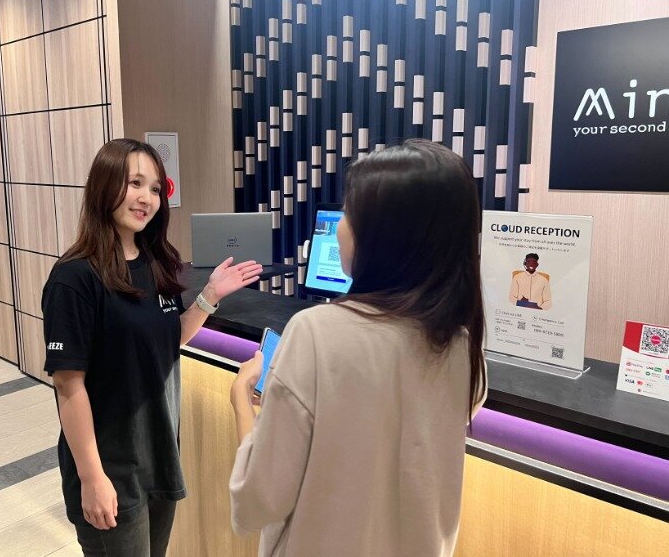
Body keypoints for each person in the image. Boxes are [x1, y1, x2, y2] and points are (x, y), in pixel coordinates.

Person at [228, 140, 488, 556]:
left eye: (349, 213)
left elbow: (257, 501)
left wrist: (242, 398)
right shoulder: (462, 349)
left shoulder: (316, 333)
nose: (339, 227)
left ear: (384, 237)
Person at [42, 138, 262, 556]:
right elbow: (68, 384)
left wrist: (210, 295)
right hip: (110, 467)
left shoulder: (154, 262)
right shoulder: (74, 278)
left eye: (156, 188)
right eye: (135, 183)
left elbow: (166, 341)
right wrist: (91, 477)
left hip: (159, 457)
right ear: (104, 185)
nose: (147, 198)